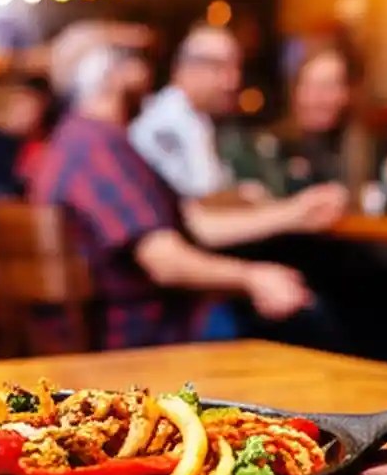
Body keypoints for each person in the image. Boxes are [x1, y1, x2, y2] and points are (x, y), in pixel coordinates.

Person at [30, 21, 345, 350]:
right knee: (317, 316)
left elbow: (189, 223)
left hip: (145, 329)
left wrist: (291, 215)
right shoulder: (99, 149)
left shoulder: (79, 142)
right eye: (135, 63)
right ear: (111, 76)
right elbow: (165, 261)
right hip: (152, 337)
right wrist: (251, 278)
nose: (150, 76)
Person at [219, 39, 376, 200]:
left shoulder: (355, 144)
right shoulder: (267, 146)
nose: (322, 98)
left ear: (345, 95)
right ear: (296, 93)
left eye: (332, 86)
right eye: (314, 87)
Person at [129, 24, 242, 199]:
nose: (233, 82)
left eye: (236, 68)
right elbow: (198, 204)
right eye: (221, 68)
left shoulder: (194, 117)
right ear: (189, 68)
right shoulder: (166, 121)